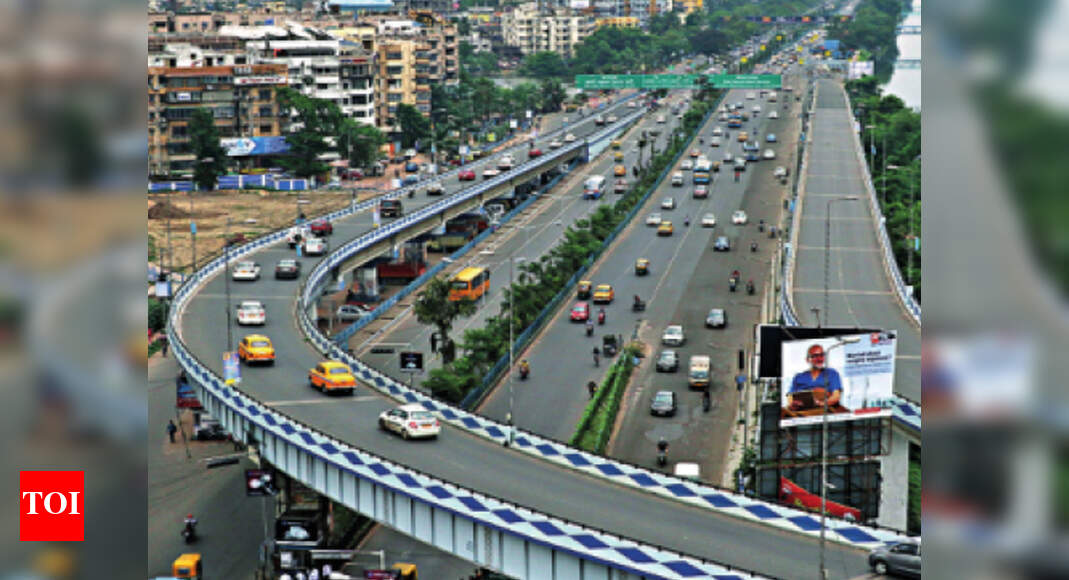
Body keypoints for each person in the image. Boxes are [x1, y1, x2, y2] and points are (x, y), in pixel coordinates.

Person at [785, 344, 844, 412]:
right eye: (815, 356)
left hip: (824, 409)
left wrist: (821, 403)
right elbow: (790, 396)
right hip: (801, 410)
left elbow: (836, 396)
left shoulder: (832, 373)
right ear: (807, 360)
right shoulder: (798, 377)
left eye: (821, 355)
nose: (819, 359)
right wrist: (792, 404)